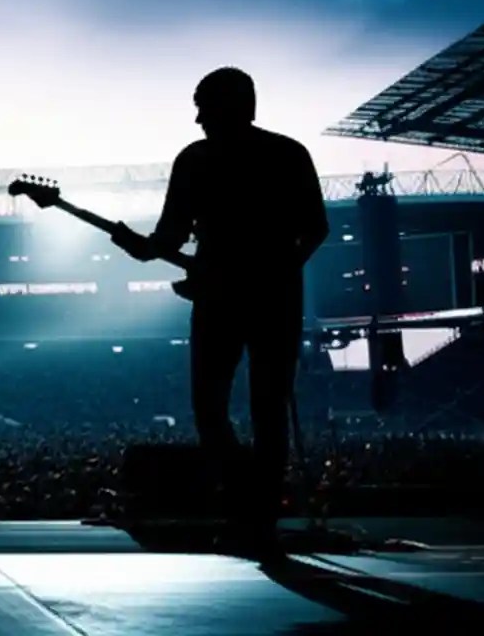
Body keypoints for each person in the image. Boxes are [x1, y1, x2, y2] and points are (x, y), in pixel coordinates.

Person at [110, 67, 329, 558]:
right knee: (265, 411)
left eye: (203, 105)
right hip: (271, 298)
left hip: (222, 299)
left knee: (213, 408)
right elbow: (317, 228)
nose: (197, 118)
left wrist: (139, 247)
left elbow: (166, 239)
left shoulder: (198, 160)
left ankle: (248, 507)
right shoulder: (287, 154)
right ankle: (259, 513)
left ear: (234, 105)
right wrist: (279, 271)